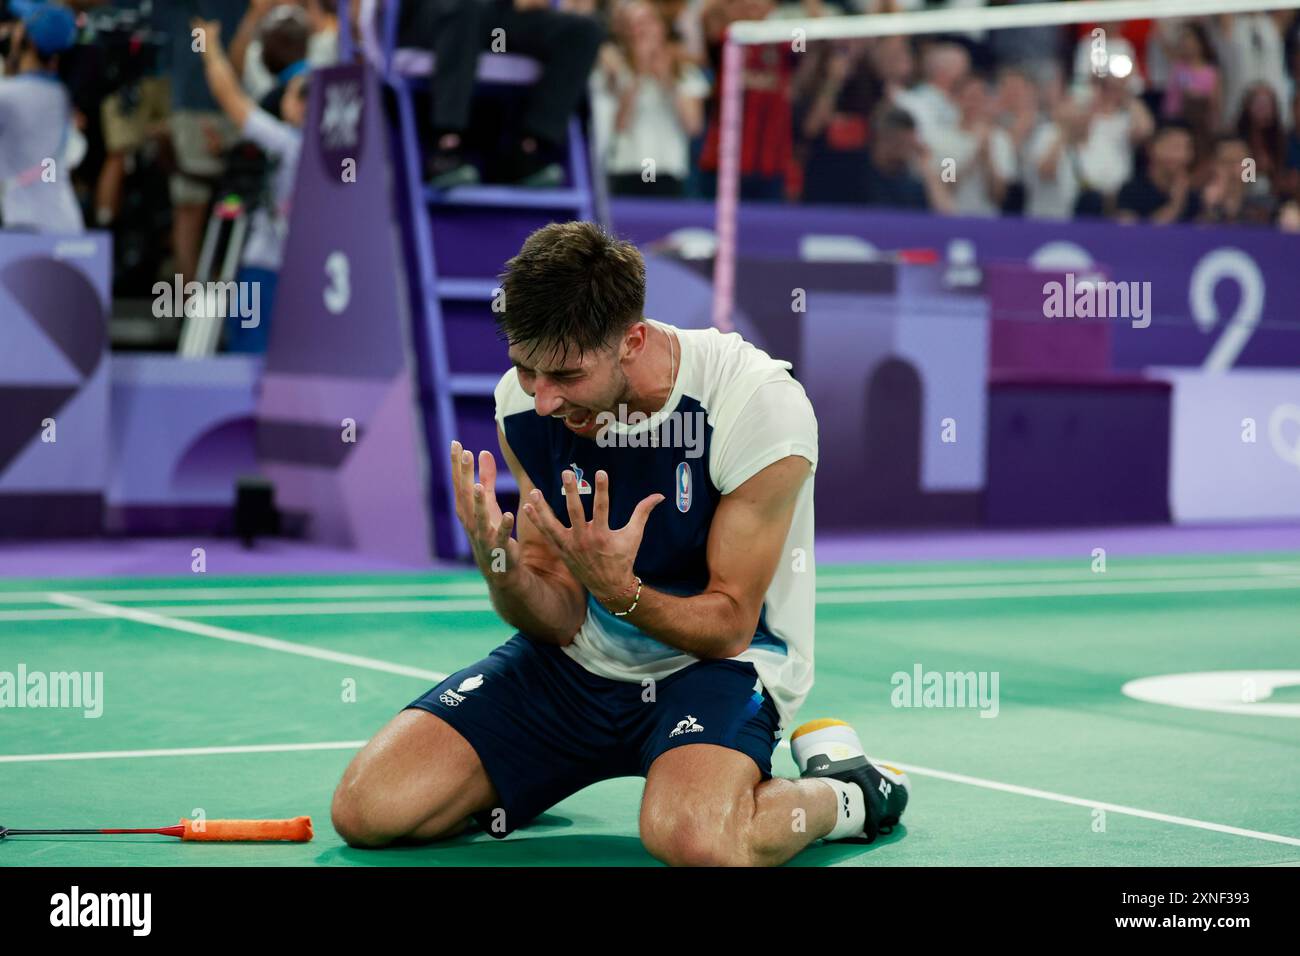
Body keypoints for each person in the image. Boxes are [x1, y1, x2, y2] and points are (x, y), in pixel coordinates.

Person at [331, 222, 911, 864]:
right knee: (368, 809)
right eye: (525, 368)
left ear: (631, 341)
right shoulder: (522, 411)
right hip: (576, 667)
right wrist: (503, 568)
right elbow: (556, 619)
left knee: (695, 841)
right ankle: (527, 778)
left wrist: (622, 593)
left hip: (718, 668)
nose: (543, 399)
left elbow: (731, 626)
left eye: (566, 374)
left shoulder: (755, 404)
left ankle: (848, 792)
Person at [397, 0, 604, 189]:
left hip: (497, 32)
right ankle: (446, 149)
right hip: (436, 14)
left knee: (583, 31)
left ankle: (526, 151)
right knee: (466, 8)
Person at [192, 15, 305, 351]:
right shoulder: (335, 148)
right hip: (310, 271)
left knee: (249, 360)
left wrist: (209, 47)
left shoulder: (289, 143)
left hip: (267, 268)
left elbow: (230, 98)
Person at [0, 2, 84, 233]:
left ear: (29, 42)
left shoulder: (9, 97)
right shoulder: (62, 94)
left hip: (28, 227)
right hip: (68, 225)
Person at [1115, 122, 1201, 224]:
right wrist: (1175, 206)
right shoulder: (1131, 191)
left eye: (1187, 148)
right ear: (1152, 148)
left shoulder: (1193, 196)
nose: (1182, 155)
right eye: (1175, 147)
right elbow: (1132, 235)